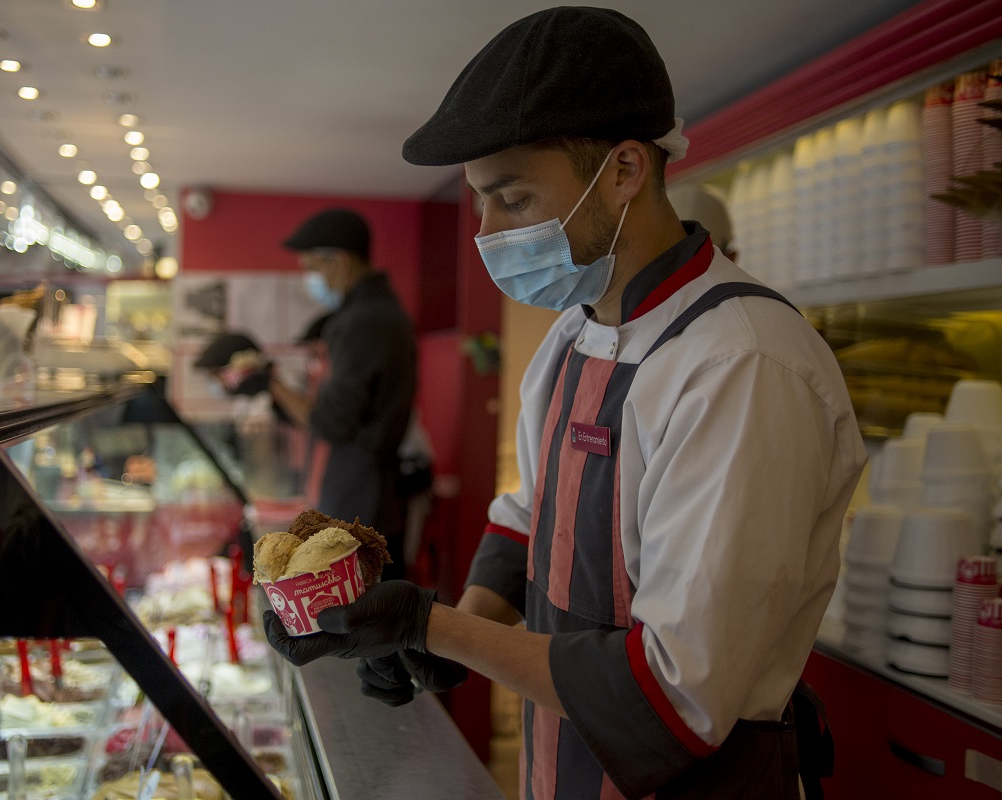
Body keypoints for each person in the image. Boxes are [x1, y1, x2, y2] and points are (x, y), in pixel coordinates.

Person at [265, 8, 865, 799]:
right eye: (480, 202)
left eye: (512, 199)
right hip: (559, 764)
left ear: (624, 171)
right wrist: (448, 637)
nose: (487, 232)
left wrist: (432, 625)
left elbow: (674, 696)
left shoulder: (740, 364)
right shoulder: (573, 336)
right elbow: (530, 519)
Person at [269, 208, 418, 582]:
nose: (310, 280)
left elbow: (332, 422)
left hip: (360, 500)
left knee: (355, 609)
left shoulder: (365, 321)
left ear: (339, 261)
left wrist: (271, 382)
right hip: (363, 492)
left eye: (313, 268)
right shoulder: (377, 314)